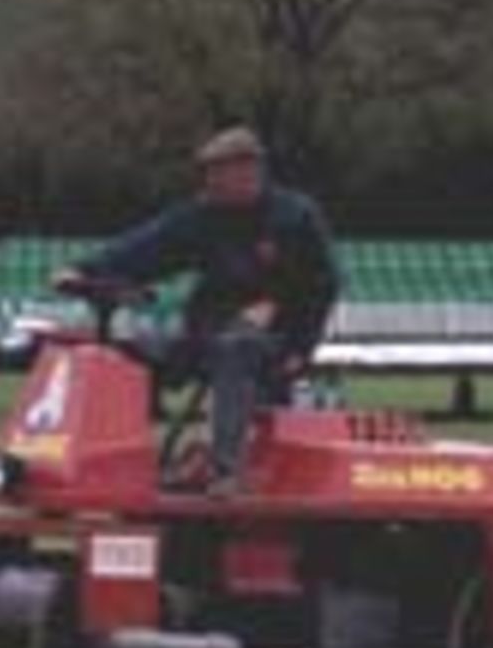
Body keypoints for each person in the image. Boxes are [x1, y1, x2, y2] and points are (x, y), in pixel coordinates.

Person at [62, 126, 339, 493]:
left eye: (217, 172)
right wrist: (84, 269)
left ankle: (226, 470)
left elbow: (322, 285)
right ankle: (108, 463)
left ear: (249, 170)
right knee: (131, 353)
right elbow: (147, 247)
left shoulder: (295, 218)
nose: (209, 182)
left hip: (276, 341)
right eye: (208, 173)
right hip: (208, 329)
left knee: (236, 347)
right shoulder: (203, 216)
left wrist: (298, 341)